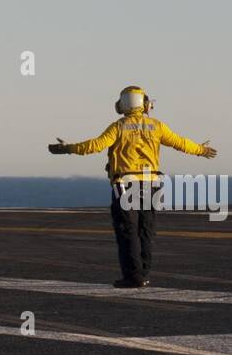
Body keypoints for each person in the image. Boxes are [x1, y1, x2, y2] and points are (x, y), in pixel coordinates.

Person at [49, 85, 217, 288]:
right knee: (146, 230)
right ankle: (144, 274)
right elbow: (180, 143)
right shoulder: (157, 126)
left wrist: (67, 148)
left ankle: (133, 276)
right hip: (152, 183)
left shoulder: (119, 127)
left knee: (127, 231)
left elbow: (93, 146)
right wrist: (201, 150)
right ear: (143, 104)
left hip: (125, 184)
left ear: (123, 104)